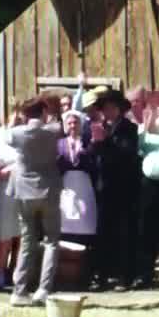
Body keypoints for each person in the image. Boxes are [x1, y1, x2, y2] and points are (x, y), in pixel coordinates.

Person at [7, 94, 64, 306]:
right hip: (48, 189)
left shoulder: (16, 133)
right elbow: (60, 124)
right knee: (51, 241)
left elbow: (5, 136)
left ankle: (19, 290)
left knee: (27, 241)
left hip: (23, 191)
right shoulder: (53, 131)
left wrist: (16, 118)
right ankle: (43, 289)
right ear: (43, 112)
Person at [87, 86, 140, 292]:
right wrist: (95, 143)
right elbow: (94, 152)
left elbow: (126, 153)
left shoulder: (128, 128)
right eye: (105, 108)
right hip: (104, 186)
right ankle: (101, 274)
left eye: (111, 107)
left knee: (123, 232)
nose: (107, 112)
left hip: (123, 187)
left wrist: (105, 142)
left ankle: (124, 276)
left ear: (118, 109)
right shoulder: (102, 127)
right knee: (103, 232)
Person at [57, 109, 98, 284]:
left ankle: (85, 273)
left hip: (83, 185)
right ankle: (65, 272)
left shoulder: (87, 142)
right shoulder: (59, 143)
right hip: (66, 185)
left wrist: (85, 151)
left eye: (75, 123)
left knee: (85, 223)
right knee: (65, 223)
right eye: (70, 123)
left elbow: (94, 163)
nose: (73, 126)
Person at [136, 90, 159, 289]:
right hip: (148, 184)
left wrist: (155, 125)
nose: (154, 111)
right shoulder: (142, 130)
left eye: (158, 108)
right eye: (151, 108)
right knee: (146, 230)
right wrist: (146, 127)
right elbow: (140, 148)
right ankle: (145, 274)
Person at [0, 106, 22, 290]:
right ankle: (0, 272)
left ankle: (14, 272)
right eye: (14, 120)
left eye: (20, 121)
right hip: (5, 193)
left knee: (21, 236)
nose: (17, 123)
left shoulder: (25, 144)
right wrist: (14, 169)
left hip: (22, 193)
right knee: (5, 237)